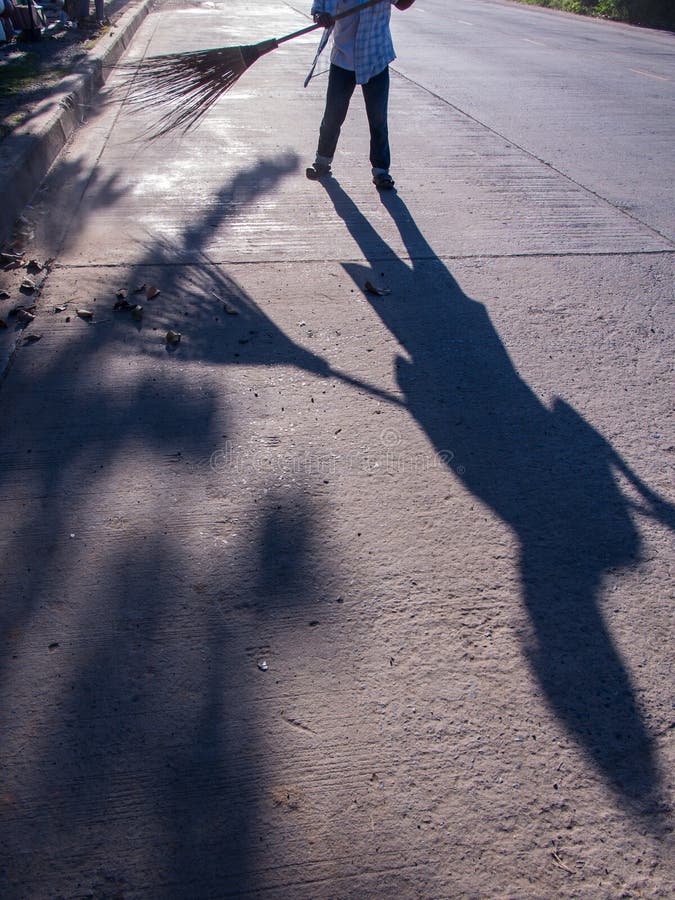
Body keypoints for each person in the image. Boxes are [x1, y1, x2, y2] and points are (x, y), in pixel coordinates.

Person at [306, 0, 415, 190]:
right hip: (343, 58)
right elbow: (319, 8)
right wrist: (320, 17)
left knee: (378, 118)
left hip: (376, 56)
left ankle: (381, 172)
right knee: (333, 115)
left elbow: (403, 4)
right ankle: (322, 161)